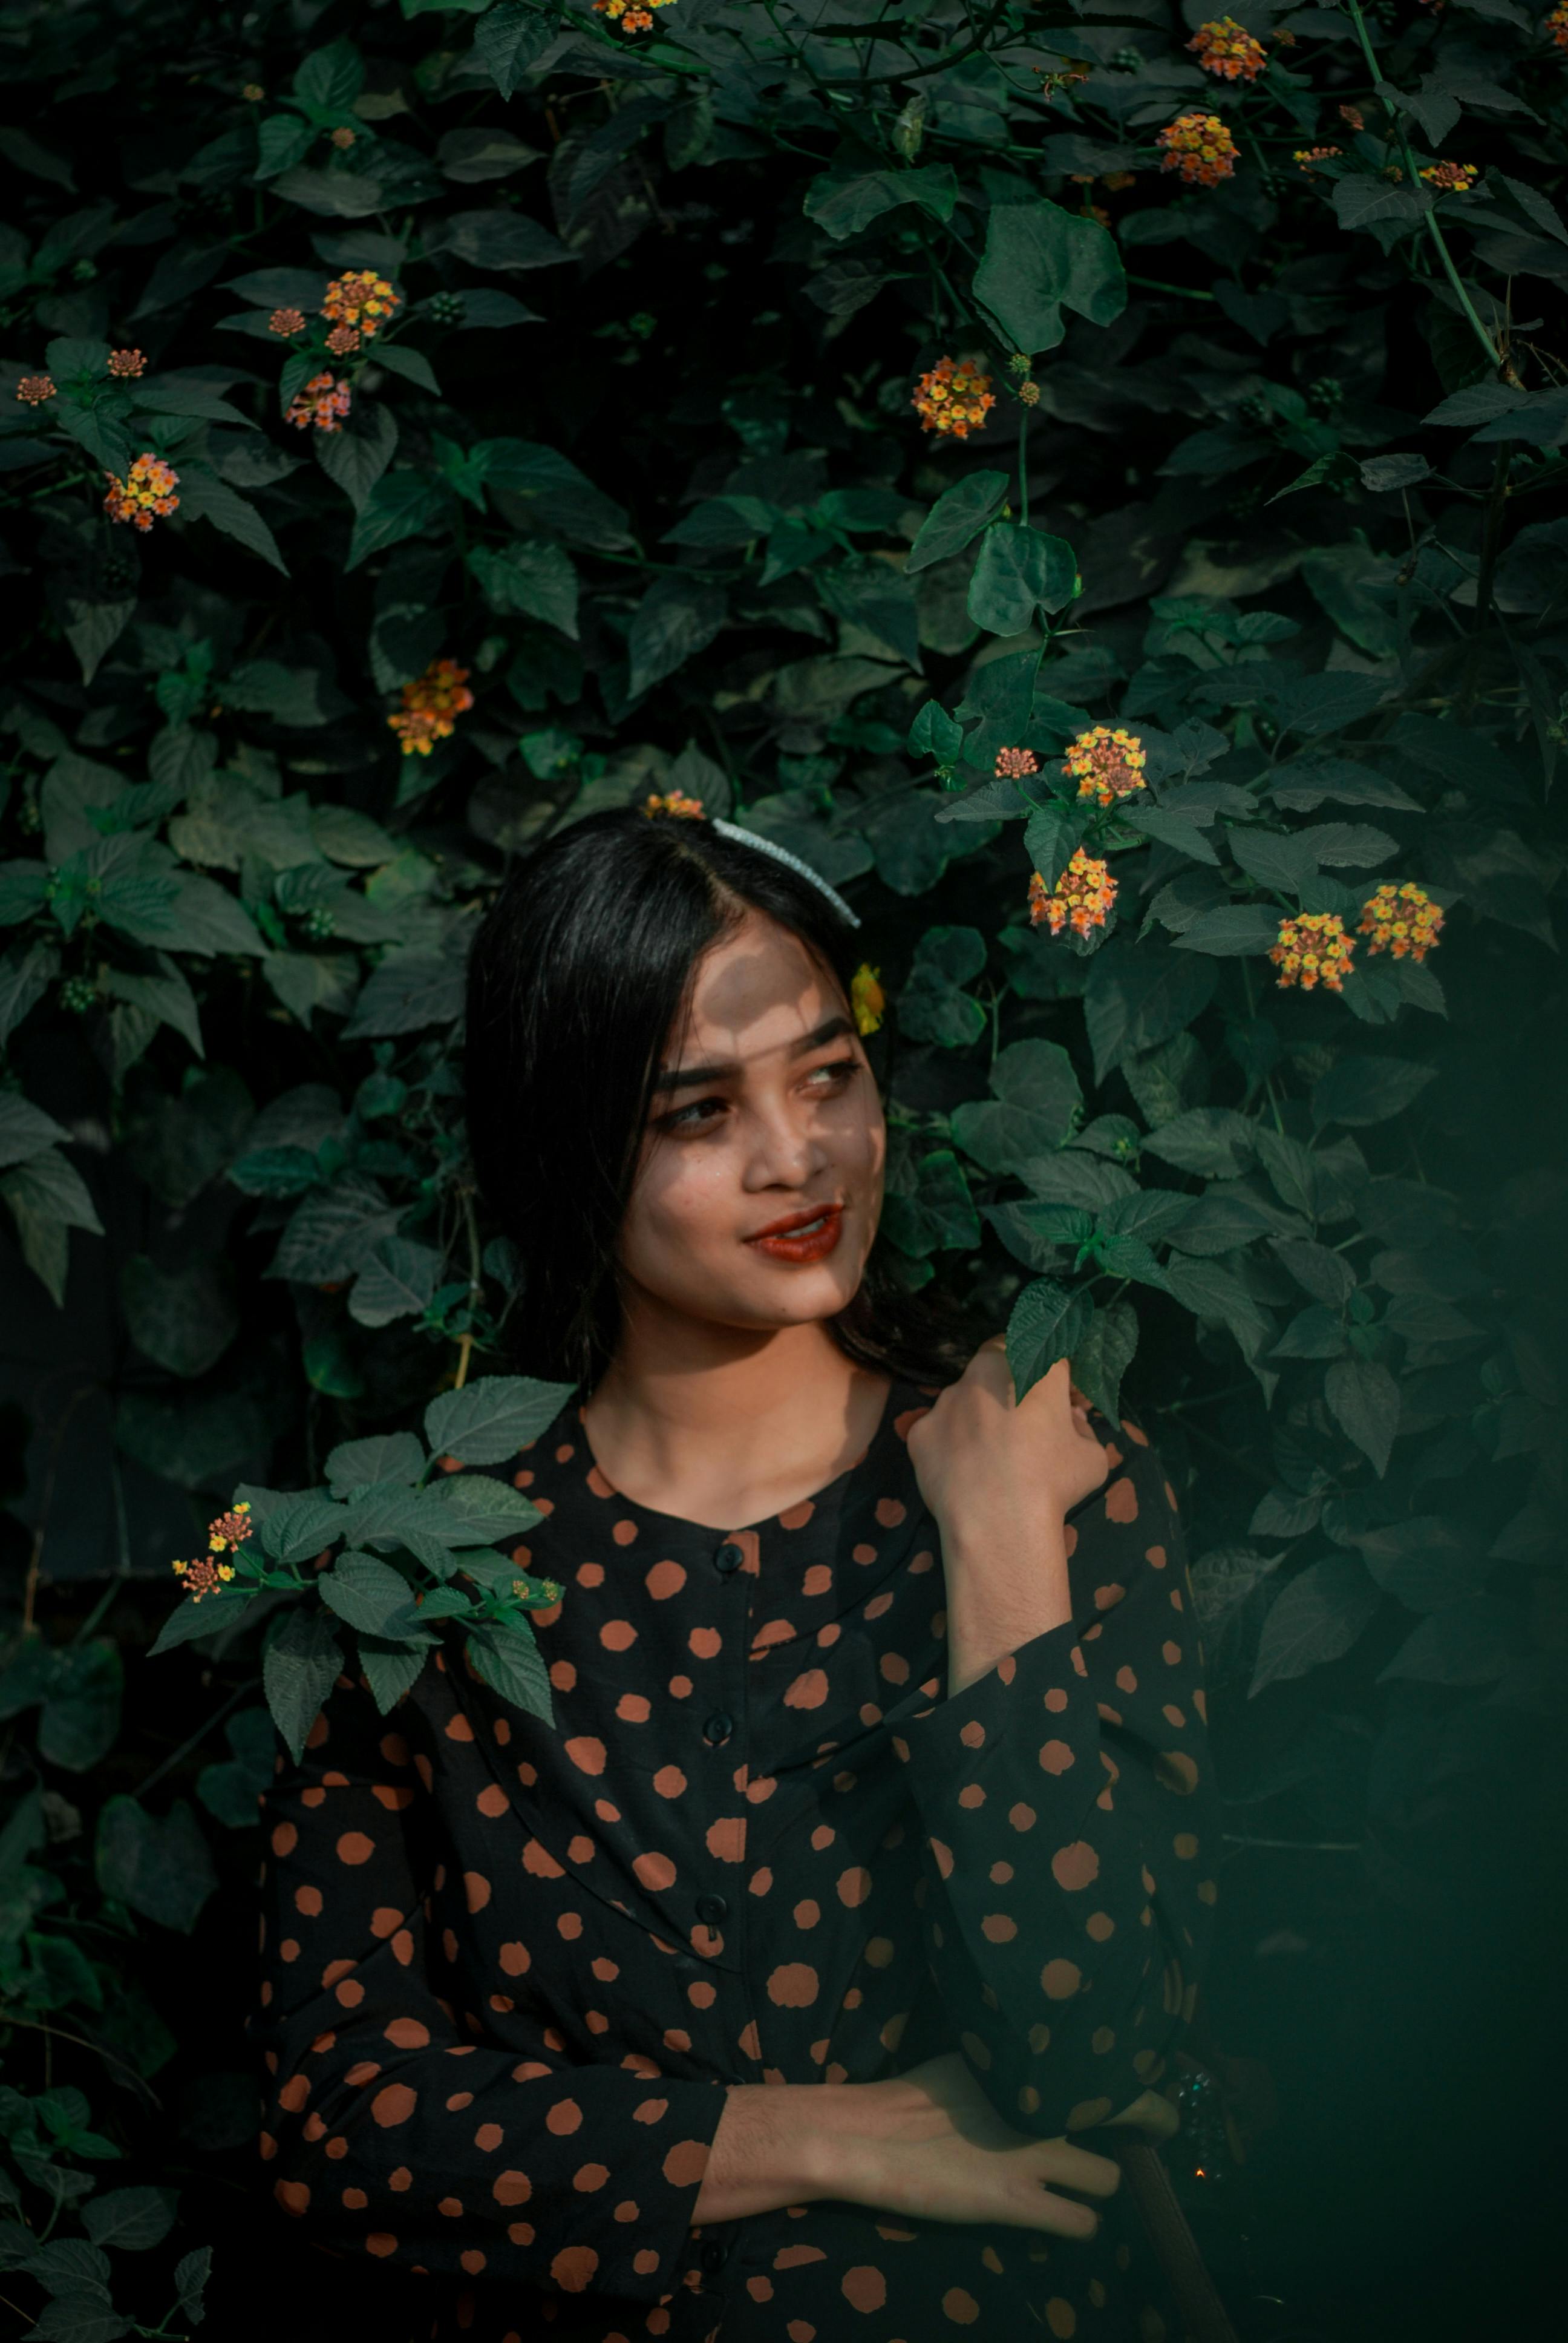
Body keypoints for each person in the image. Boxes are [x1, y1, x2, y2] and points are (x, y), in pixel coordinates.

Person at [247, 798, 1220, 2343]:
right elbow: (338, 2120)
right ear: (570, 1148)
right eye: (699, 1112)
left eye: (829, 1074)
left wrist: (996, 1540)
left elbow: (1099, 2058)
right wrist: (800, 2133)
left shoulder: (1053, 1477)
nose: (799, 1154)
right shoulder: (415, 1572)